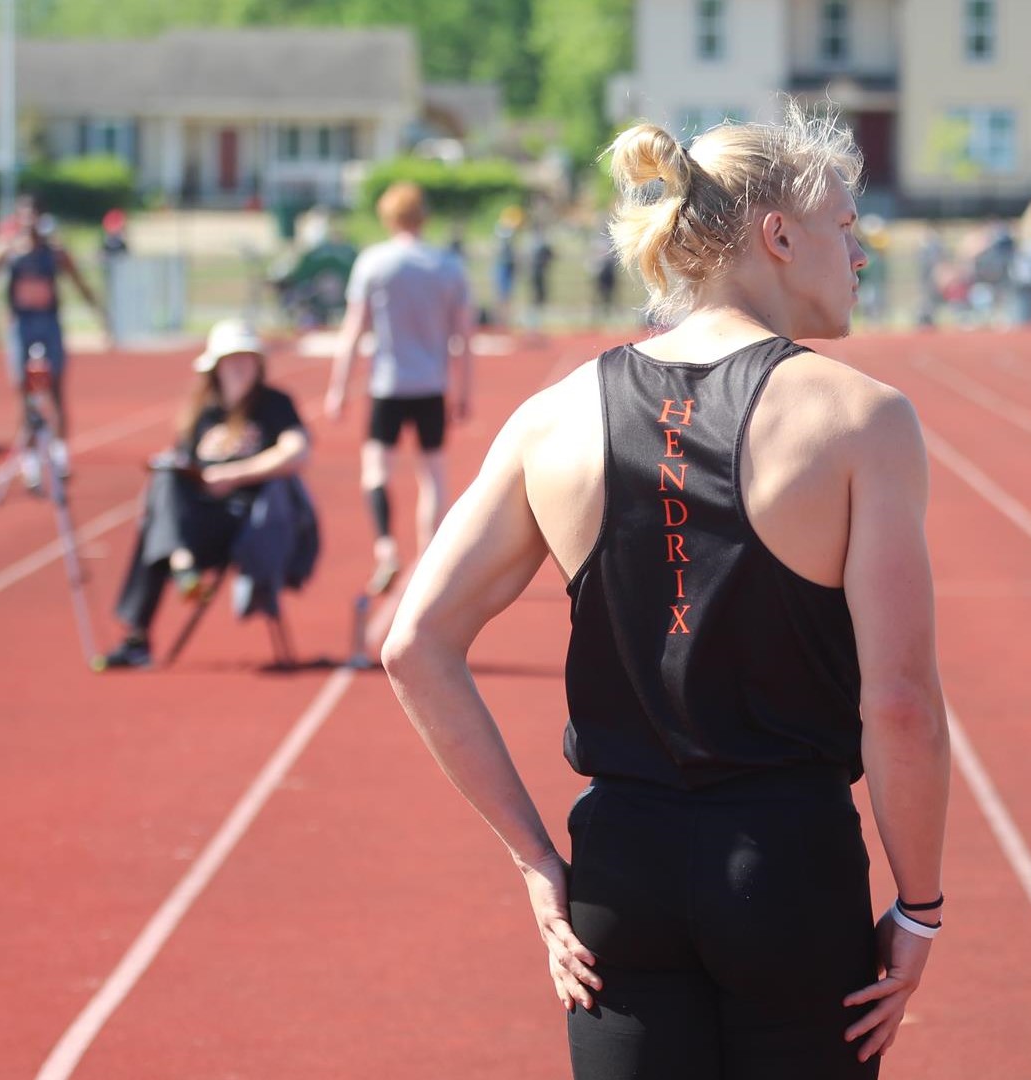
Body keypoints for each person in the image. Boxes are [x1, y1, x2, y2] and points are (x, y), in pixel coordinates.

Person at [382, 108, 950, 1079]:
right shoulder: (861, 419)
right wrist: (919, 905)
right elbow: (897, 704)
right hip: (786, 864)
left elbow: (413, 645)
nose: (859, 254)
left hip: (620, 866)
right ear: (779, 234)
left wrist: (535, 859)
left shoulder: (551, 417)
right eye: (846, 228)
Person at [97, 320, 311, 669]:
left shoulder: (274, 404)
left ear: (258, 364)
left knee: (157, 526)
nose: (241, 366)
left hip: (246, 520)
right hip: (196, 520)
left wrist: (232, 474)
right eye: (232, 359)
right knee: (164, 480)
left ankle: (142, 631)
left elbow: (297, 452)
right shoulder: (204, 412)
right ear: (216, 366)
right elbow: (182, 463)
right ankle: (181, 564)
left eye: (247, 358)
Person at [325, 181, 473, 596]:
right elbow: (463, 338)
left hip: (387, 385)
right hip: (431, 385)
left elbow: (353, 329)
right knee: (433, 475)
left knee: (376, 469)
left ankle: (386, 547)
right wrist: (464, 392)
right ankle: (428, 561)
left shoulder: (373, 263)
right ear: (423, 217)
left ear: (388, 218)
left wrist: (338, 387)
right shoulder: (446, 266)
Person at [0, 193, 111, 485]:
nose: (30, 220)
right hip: (21, 326)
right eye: (25, 214)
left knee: (55, 389)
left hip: (48, 324)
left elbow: (80, 283)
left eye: (35, 214)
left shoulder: (55, 252)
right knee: (24, 393)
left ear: (42, 217)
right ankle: (30, 460)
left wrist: (100, 316)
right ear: (18, 217)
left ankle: (60, 454)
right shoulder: (5, 250)